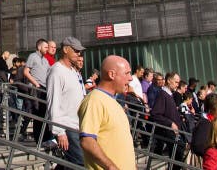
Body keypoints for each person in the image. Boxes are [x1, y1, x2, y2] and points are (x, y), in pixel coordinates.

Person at [78, 54, 136, 170]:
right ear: (111, 74)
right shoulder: (94, 100)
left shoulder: (113, 102)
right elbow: (87, 141)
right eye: (127, 73)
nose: (131, 78)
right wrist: (110, 166)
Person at [46, 36, 86, 167]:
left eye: (80, 51)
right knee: (79, 163)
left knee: (70, 163)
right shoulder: (56, 71)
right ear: (65, 50)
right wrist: (59, 131)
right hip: (67, 127)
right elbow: (53, 102)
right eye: (75, 50)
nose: (79, 54)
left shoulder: (73, 72)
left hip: (78, 125)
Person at [23, 38, 51, 143]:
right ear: (39, 47)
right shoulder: (32, 56)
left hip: (44, 88)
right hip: (37, 88)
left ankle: (45, 137)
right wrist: (36, 84)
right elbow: (26, 72)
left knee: (44, 112)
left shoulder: (45, 59)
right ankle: (38, 138)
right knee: (38, 111)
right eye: (45, 47)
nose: (47, 49)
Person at [192, 93, 217, 158]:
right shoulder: (205, 124)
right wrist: (216, 155)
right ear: (212, 108)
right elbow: (198, 146)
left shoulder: (212, 123)